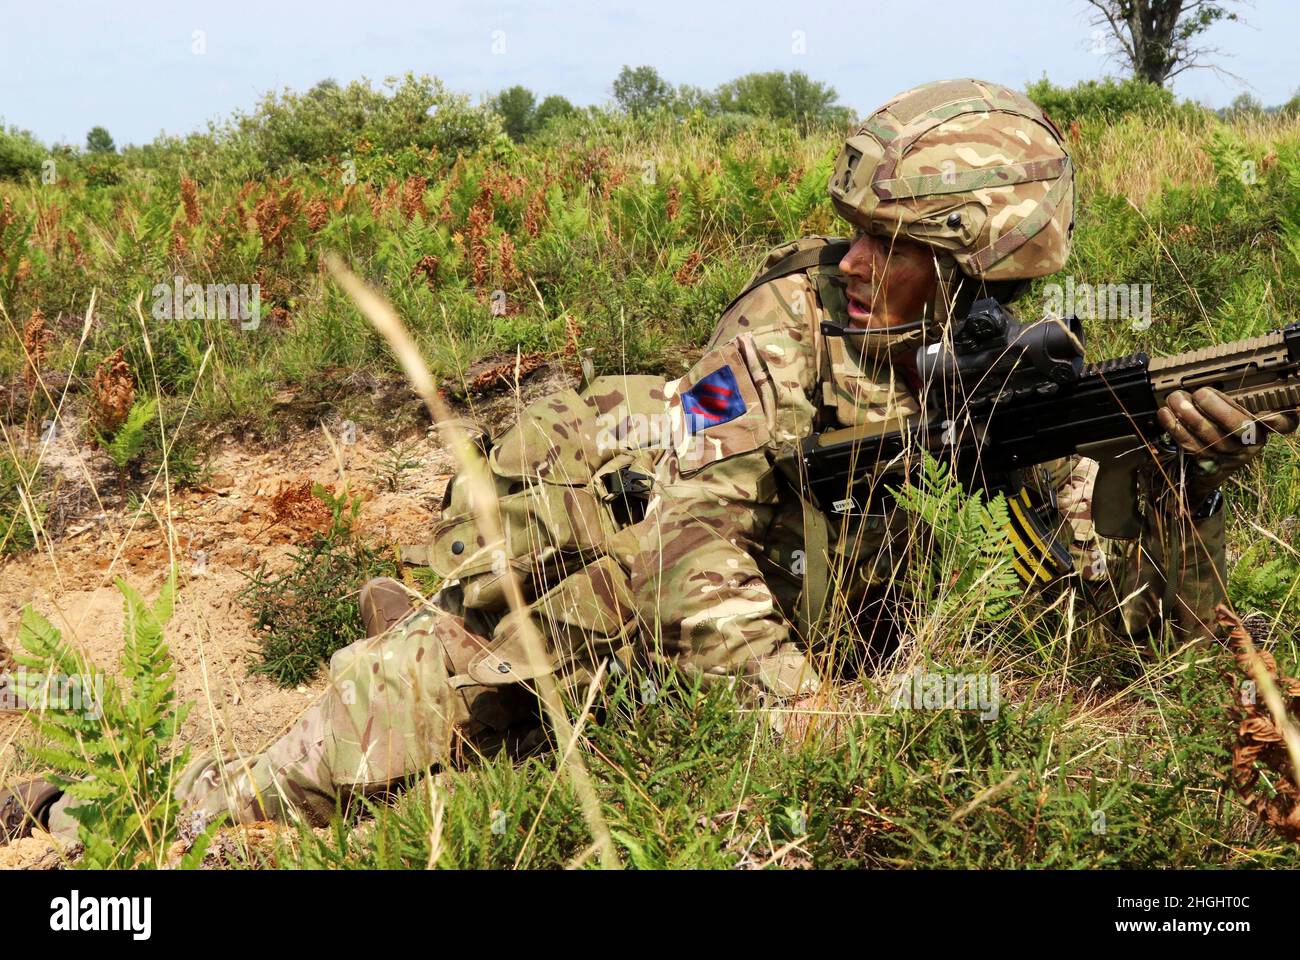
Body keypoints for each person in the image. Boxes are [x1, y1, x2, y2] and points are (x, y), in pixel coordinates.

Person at [3, 77, 1291, 843]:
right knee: (270, 796)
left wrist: (1176, 487)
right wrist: (801, 715)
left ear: (972, 268)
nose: (851, 258)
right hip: (570, 612)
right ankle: (65, 808)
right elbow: (679, 529)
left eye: (888, 244)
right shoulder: (785, 329)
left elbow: (1110, 636)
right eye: (849, 230)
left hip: (741, 656)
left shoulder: (1029, 384)